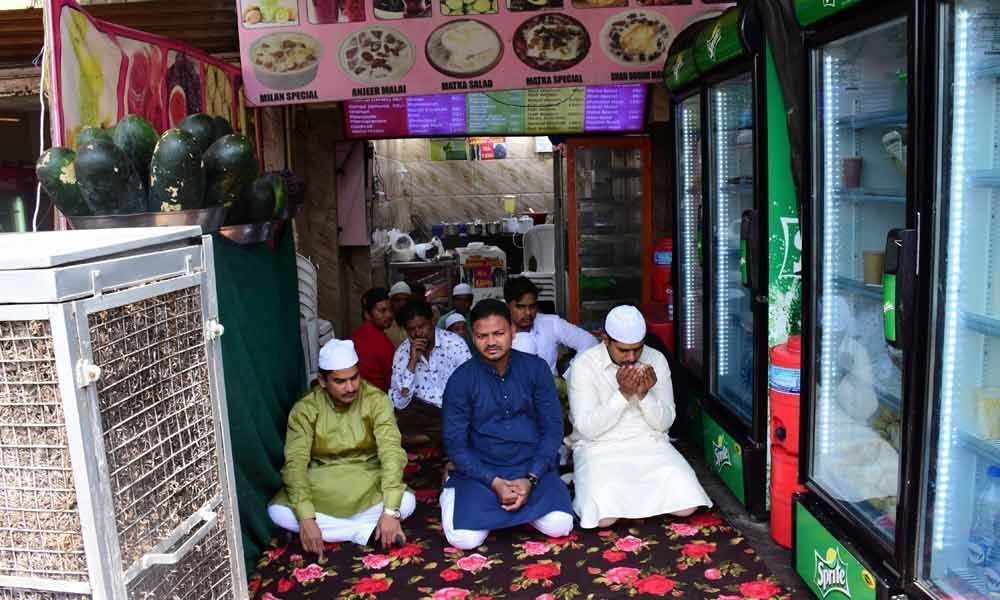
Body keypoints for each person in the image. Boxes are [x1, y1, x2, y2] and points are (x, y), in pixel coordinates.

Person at [440, 299, 574, 549]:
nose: (491, 342)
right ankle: (452, 491)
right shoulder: (461, 380)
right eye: (482, 336)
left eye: (498, 333)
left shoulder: (536, 368)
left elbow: (553, 429)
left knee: (561, 525)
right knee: (464, 540)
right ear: (473, 336)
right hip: (481, 473)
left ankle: (516, 509)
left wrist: (531, 478)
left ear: (512, 331)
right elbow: (456, 445)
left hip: (530, 467)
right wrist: (495, 482)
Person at [568, 305, 711, 529]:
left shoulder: (656, 360)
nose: (632, 357)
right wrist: (623, 395)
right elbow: (587, 428)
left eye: (637, 349)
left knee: (686, 505)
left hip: (649, 444)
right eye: (624, 350)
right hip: (599, 447)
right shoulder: (584, 365)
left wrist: (644, 396)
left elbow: (665, 423)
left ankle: (634, 505)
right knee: (602, 518)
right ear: (606, 339)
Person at [268, 339, 416, 554]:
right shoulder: (305, 409)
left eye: (354, 378)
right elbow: (295, 463)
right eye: (340, 381)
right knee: (278, 512)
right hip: (321, 484)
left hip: (368, 482)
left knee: (407, 502)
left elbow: (392, 452)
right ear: (322, 381)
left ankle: (337, 530)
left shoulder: (376, 400)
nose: (350, 387)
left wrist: (391, 511)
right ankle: (362, 531)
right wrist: (307, 517)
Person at [390, 300, 471, 446]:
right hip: (421, 413)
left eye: (422, 326)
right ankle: (435, 438)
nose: (417, 333)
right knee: (397, 419)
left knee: (465, 421)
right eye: (411, 330)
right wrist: (413, 361)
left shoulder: (455, 344)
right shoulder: (402, 353)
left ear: (432, 321)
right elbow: (400, 401)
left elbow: (470, 387)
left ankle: (424, 439)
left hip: (451, 409)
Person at [506, 277, 598, 377]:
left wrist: (571, 375)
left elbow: (589, 342)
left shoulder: (551, 323)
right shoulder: (497, 332)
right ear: (508, 306)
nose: (528, 313)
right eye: (521, 307)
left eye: (532, 306)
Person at [350, 287, 396, 392]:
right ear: (367, 314)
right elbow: (392, 381)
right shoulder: (382, 342)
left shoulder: (355, 336)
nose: (389, 315)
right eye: (382, 310)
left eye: (390, 310)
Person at [385, 281, 412, 347]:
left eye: (406, 300)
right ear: (391, 301)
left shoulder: (415, 323)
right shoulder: (385, 325)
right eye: (398, 300)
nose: (402, 304)